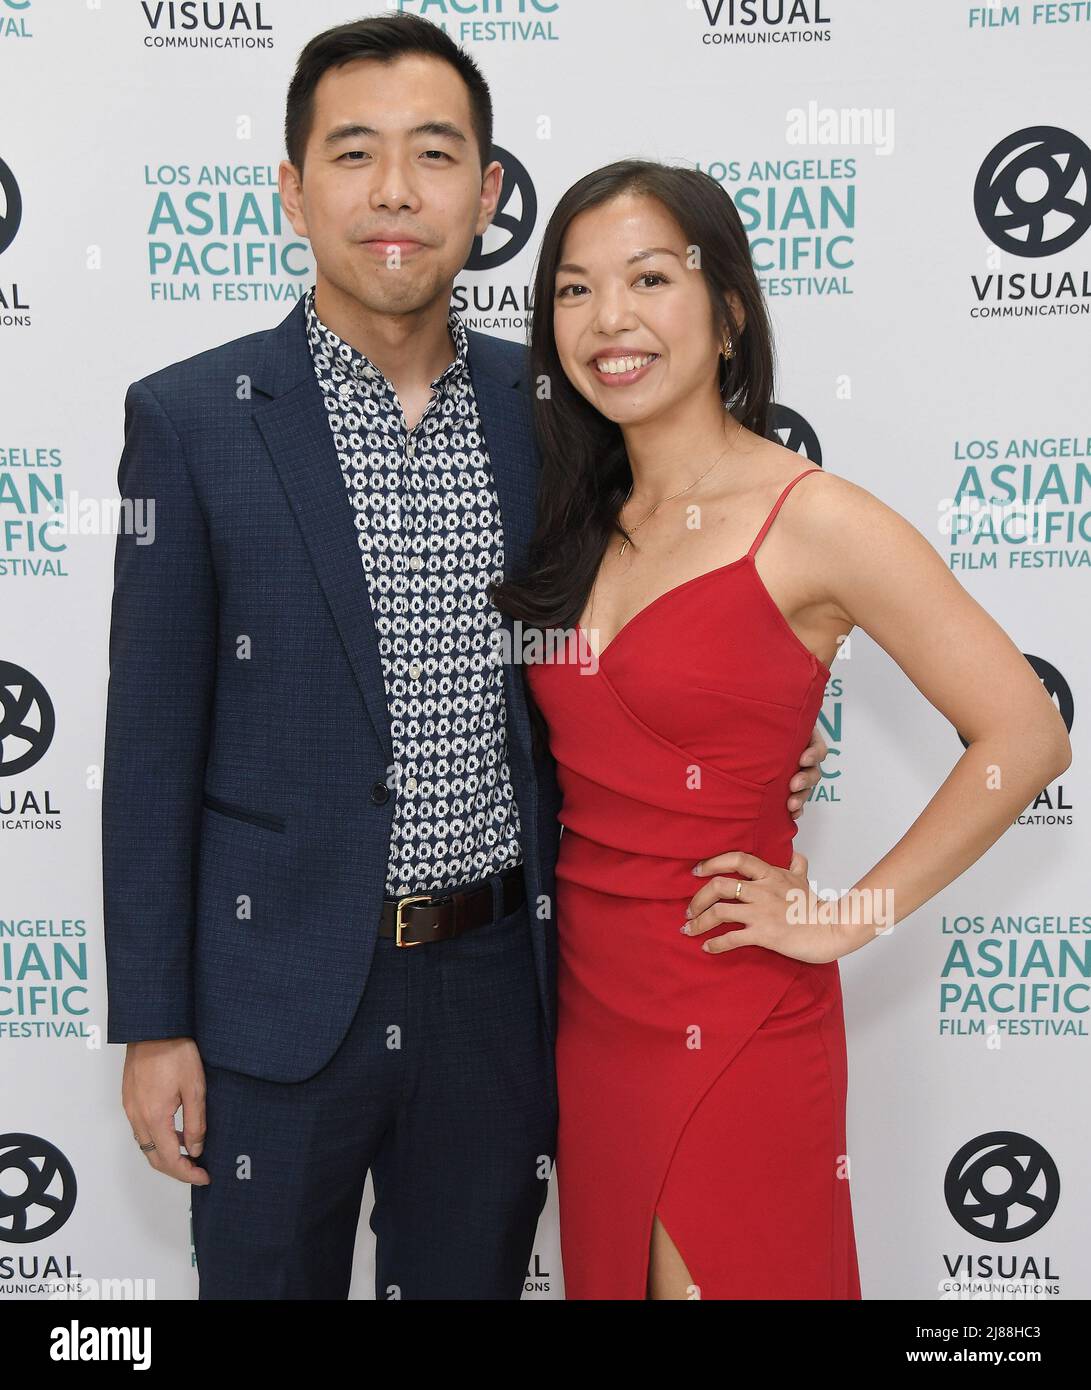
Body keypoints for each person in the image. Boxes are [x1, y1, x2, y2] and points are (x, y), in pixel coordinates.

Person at [100, 17, 828, 1300]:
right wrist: (156, 1021)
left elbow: (645, 636)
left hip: (503, 988)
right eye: (354, 153)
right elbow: (150, 749)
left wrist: (755, 744)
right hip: (274, 1002)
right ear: (291, 187)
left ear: (487, 194)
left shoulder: (562, 414)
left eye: (434, 155)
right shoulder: (193, 420)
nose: (395, 192)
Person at [493, 159, 1073, 1300]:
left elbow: (1024, 734)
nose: (608, 318)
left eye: (650, 278)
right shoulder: (575, 514)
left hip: (735, 1010)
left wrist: (846, 913)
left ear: (727, 316)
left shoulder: (818, 519)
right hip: (590, 1017)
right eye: (573, 287)